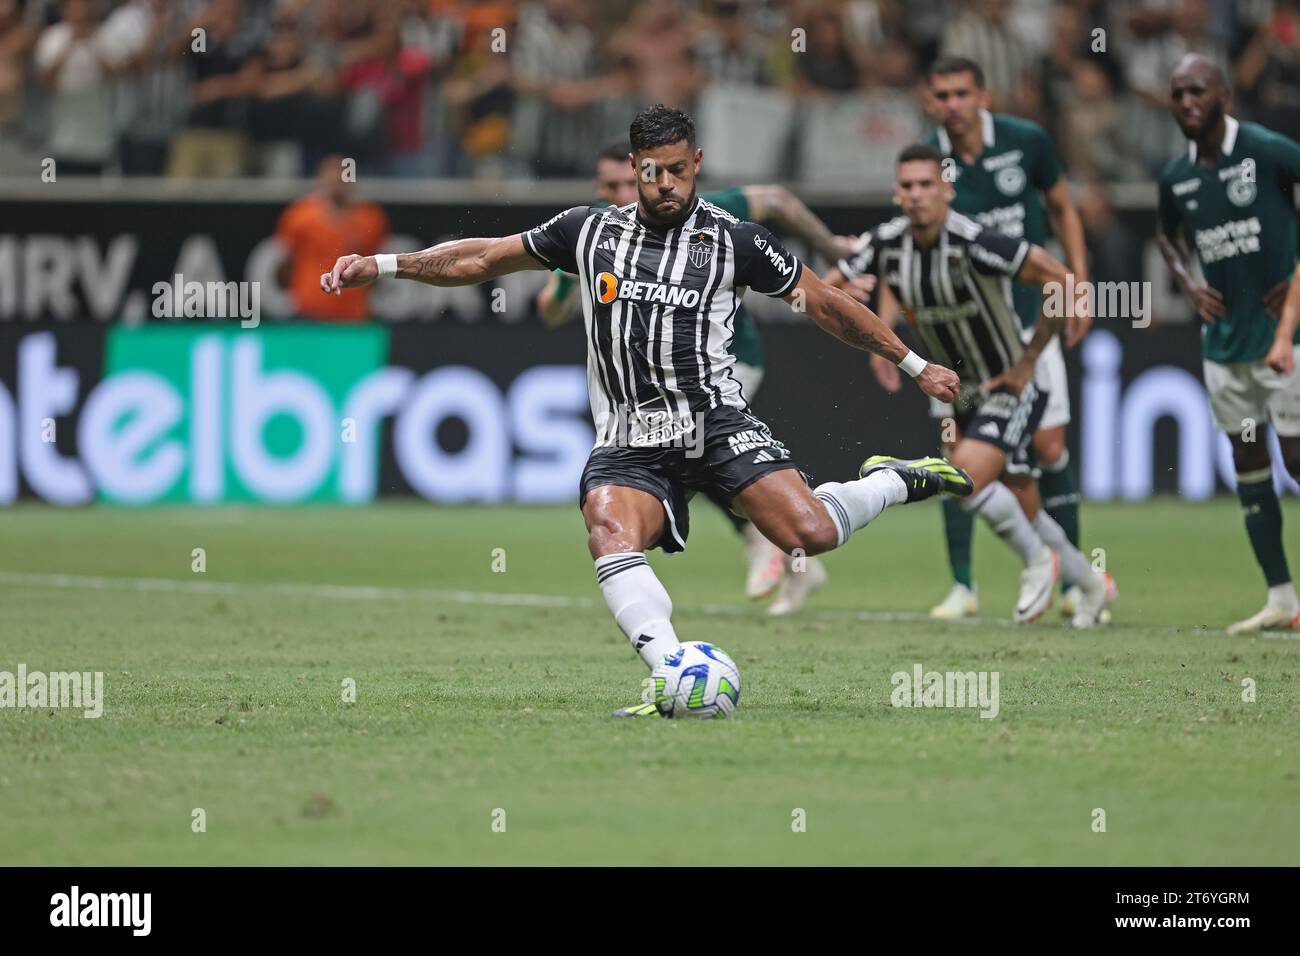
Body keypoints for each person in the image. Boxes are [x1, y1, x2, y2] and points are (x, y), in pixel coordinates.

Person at [322, 104, 970, 717]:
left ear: (698, 163)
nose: (667, 185)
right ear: (635, 167)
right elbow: (484, 257)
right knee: (607, 526)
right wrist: (383, 265)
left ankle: (890, 479)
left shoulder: (735, 240)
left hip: (716, 422)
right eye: (654, 171)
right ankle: (670, 669)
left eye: (680, 170)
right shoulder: (588, 231)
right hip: (630, 436)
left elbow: (824, 302)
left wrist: (914, 364)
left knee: (810, 536)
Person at [534, 140, 857, 614]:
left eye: (630, 183)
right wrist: (568, 278)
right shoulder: (598, 236)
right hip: (655, 379)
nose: (627, 192)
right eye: (615, 186)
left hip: (726, 360)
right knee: (680, 452)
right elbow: (548, 309)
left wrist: (832, 248)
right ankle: (786, 548)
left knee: (689, 440)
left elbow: (777, 200)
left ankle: (765, 540)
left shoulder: (694, 210)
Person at [829, 143, 1116, 629]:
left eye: (926, 185)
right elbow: (818, 291)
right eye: (907, 186)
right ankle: (1090, 585)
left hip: (1012, 381)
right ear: (896, 194)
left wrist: (1029, 362)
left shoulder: (975, 241)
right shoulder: (885, 243)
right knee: (1016, 494)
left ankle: (1035, 561)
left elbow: (1060, 280)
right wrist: (842, 290)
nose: (917, 195)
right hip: (959, 391)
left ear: (946, 190)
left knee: (962, 477)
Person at [916, 56, 1093, 621]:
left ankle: (1070, 580)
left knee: (1047, 448)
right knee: (954, 452)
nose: (953, 104)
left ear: (983, 95)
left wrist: (1079, 283)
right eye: (942, 94)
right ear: (929, 100)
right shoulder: (927, 165)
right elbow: (911, 247)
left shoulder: (1027, 142)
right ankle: (963, 586)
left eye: (962, 92)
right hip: (962, 335)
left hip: (1029, 321)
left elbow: (1063, 208)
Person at [1156, 54, 1300, 634]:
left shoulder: (1266, 150)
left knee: (1295, 459)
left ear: (1224, 95)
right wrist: (1189, 282)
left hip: (1282, 340)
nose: (1187, 102)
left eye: (1198, 90)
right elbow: (1166, 236)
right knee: (1249, 460)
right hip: (1224, 350)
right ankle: (1282, 596)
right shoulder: (1176, 178)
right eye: (1178, 93)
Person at [276, 154, 390, 321]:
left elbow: (375, 266)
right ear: (320, 180)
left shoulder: (371, 218)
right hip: (309, 309)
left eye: (341, 180)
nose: (337, 186)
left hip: (353, 313)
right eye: (332, 179)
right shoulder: (300, 215)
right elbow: (286, 263)